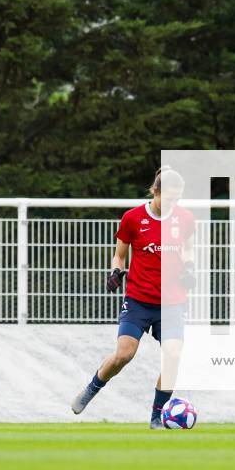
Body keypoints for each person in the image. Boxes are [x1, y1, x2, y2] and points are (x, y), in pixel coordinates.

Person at [71, 167, 195, 429]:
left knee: (173, 355)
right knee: (124, 354)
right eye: (169, 198)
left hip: (171, 303)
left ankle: (156, 417)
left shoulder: (184, 219)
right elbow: (119, 254)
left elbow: (187, 250)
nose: (173, 204)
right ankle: (93, 387)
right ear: (155, 191)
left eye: (178, 199)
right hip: (139, 299)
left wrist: (189, 267)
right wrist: (116, 271)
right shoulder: (132, 218)